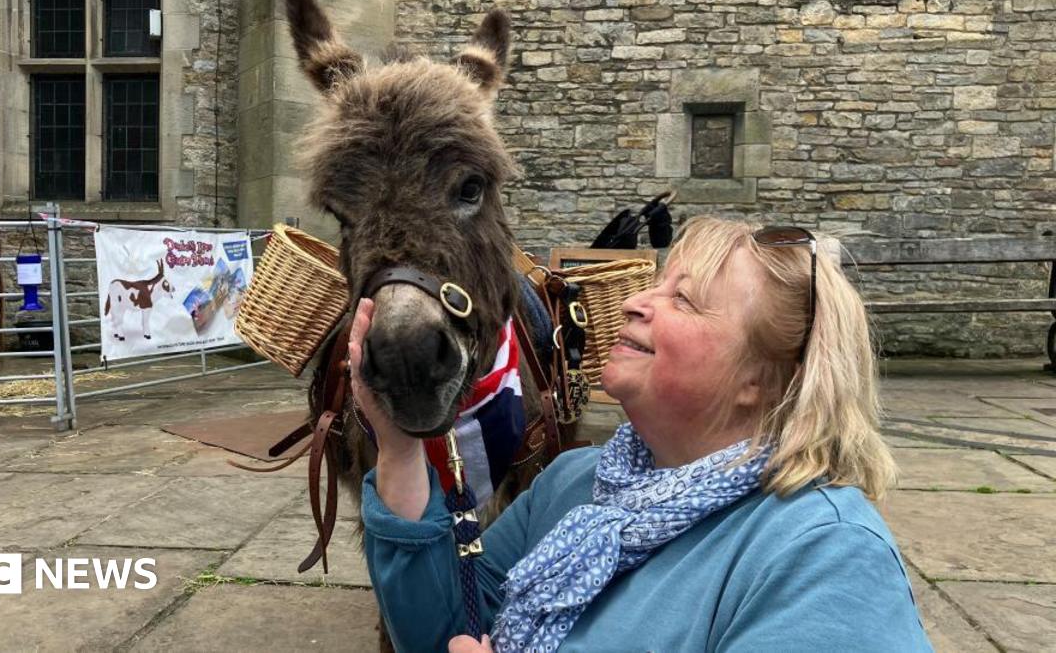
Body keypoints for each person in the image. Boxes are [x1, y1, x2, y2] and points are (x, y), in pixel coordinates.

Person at [349, 217, 932, 652]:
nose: (633, 303)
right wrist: (400, 447)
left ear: (762, 378)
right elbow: (446, 629)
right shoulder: (574, 483)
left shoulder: (821, 552)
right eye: (655, 284)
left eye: (683, 299)